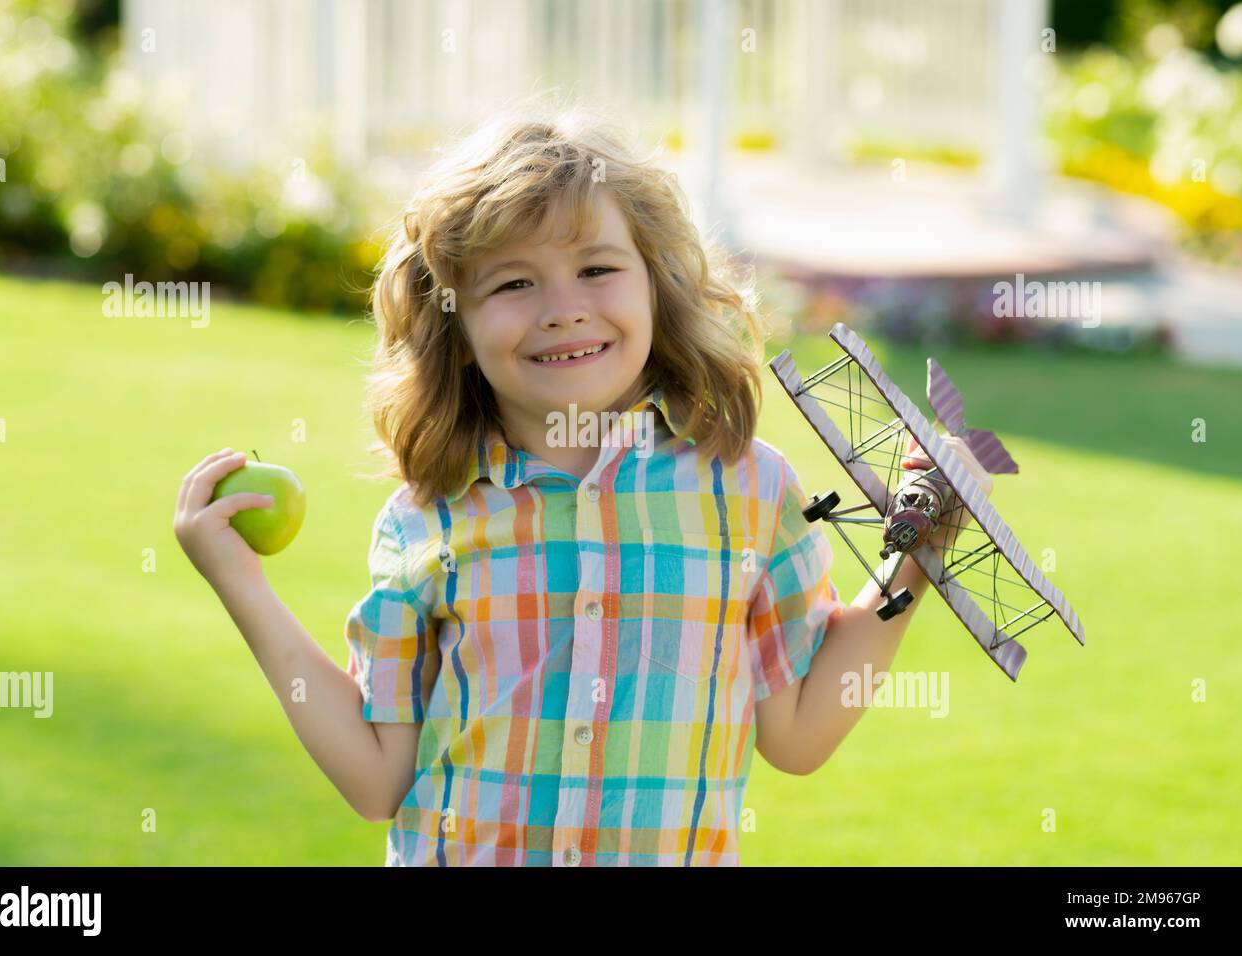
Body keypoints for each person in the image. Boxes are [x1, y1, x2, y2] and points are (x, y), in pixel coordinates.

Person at [174, 99, 994, 866]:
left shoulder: (745, 488)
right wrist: (239, 582)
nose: (563, 308)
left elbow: (800, 732)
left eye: (597, 269)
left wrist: (913, 556)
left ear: (655, 287)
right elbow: (377, 779)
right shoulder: (429, 517)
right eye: (514, 282)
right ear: (455, 328)